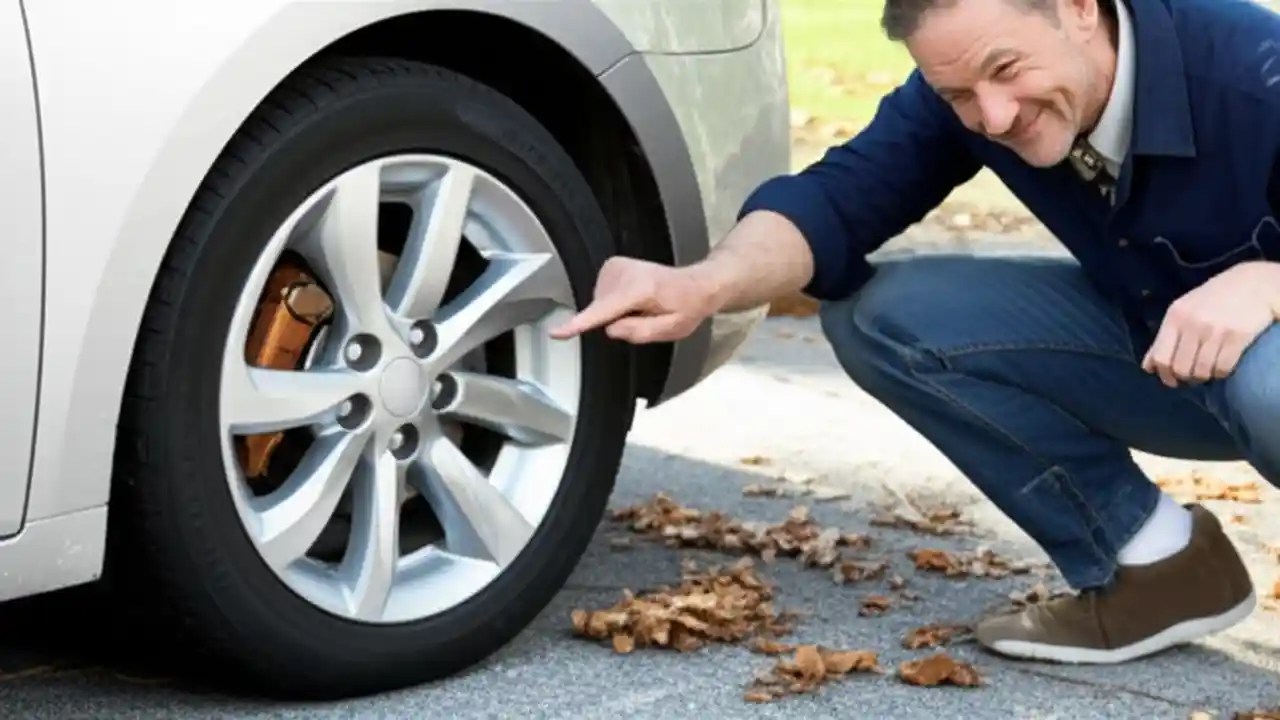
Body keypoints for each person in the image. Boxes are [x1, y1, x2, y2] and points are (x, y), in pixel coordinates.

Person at [551, 0, 1280, 664]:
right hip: (1169, 365)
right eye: (960, 95)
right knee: (887, 317)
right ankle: (1161, 567)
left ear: (1080, 9)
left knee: (1268, 379)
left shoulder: (1251, 67)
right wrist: (701, 284)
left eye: (1006, 70)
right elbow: (836, 200)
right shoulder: (965, 92)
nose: (993, 117)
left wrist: (1269, 282)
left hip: (1264, 375)